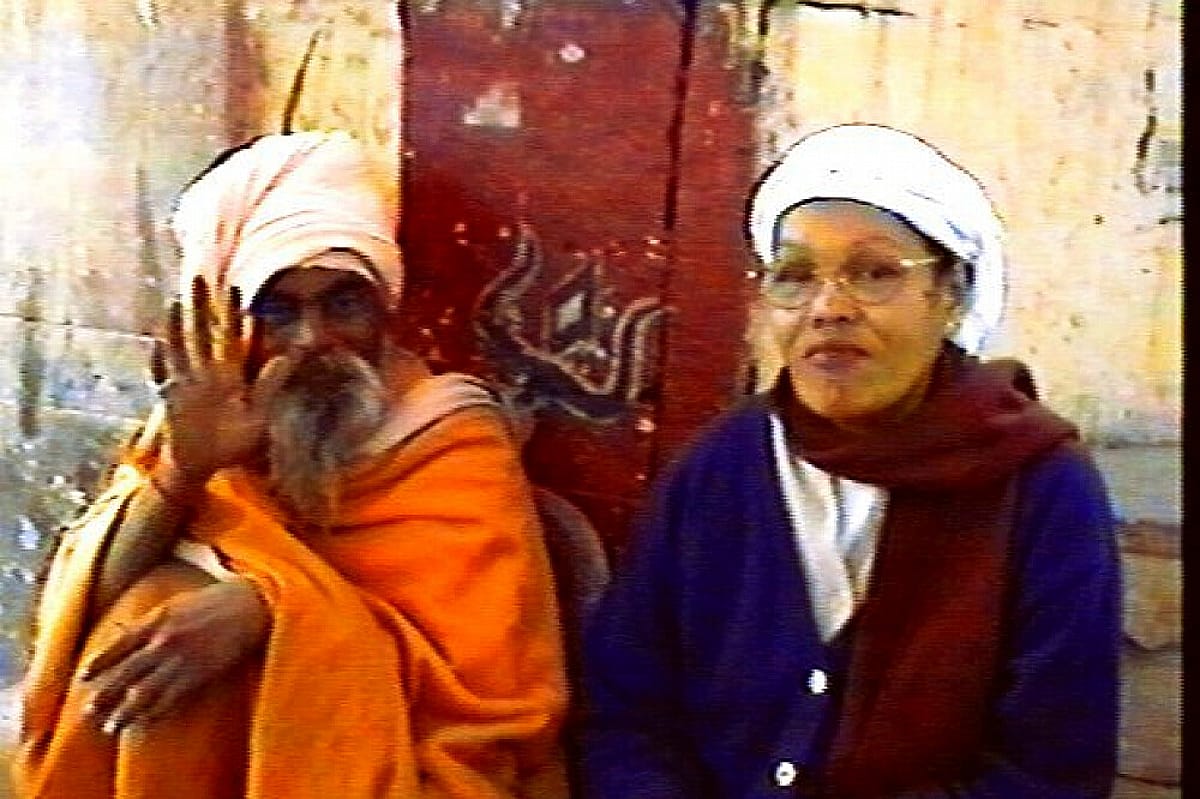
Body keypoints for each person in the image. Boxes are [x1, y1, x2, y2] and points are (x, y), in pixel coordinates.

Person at [15, 131, 569, 798]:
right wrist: (184, 472)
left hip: (400, 757)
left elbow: (487, 686)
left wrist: (274, 612)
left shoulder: (449, 437)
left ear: (383, 307)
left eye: (343, 302)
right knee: (152, 605)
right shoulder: (209, 410)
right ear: (232, 323)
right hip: (216, 751)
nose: (314, 340)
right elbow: (82, 605)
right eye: (278, 309)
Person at [581, 123, 1120, 798]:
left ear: (950, 296)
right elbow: (627, 712)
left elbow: (1050, 770)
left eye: (874, 273)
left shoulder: (1041, 485)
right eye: (795, 276)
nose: (828, 308)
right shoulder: (720, 469)